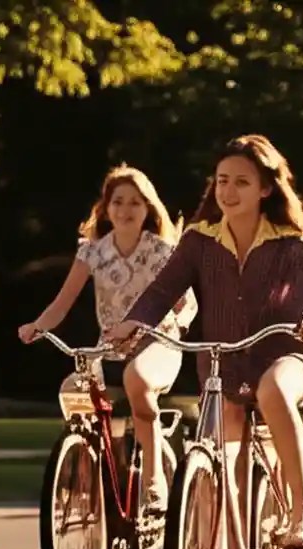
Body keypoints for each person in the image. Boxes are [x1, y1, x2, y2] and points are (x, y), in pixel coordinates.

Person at [106, 135, 303, 549]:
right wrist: (133, 322)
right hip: (224, 365)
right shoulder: (199, 240)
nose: (228, 192)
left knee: (273, 390)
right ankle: (235, 546)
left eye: (242, 183)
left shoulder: (290, 241)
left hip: (286, 356)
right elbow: (162, 291)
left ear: (266, 188)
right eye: (222, 181)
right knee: (224, 456)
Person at [18, 165, 196, 511]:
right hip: (110, 347)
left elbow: (186, 304)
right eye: (118, 202)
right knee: (73, 389)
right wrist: (37, 326)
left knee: (138, 380)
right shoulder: (93, 252)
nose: (125, 210)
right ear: (105, 207)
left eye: (134, 203)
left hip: (158, 342)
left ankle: (154, 478)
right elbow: (62, 303)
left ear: (148, 208)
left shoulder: (160, 250)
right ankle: (96, 470)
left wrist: (174, 317)